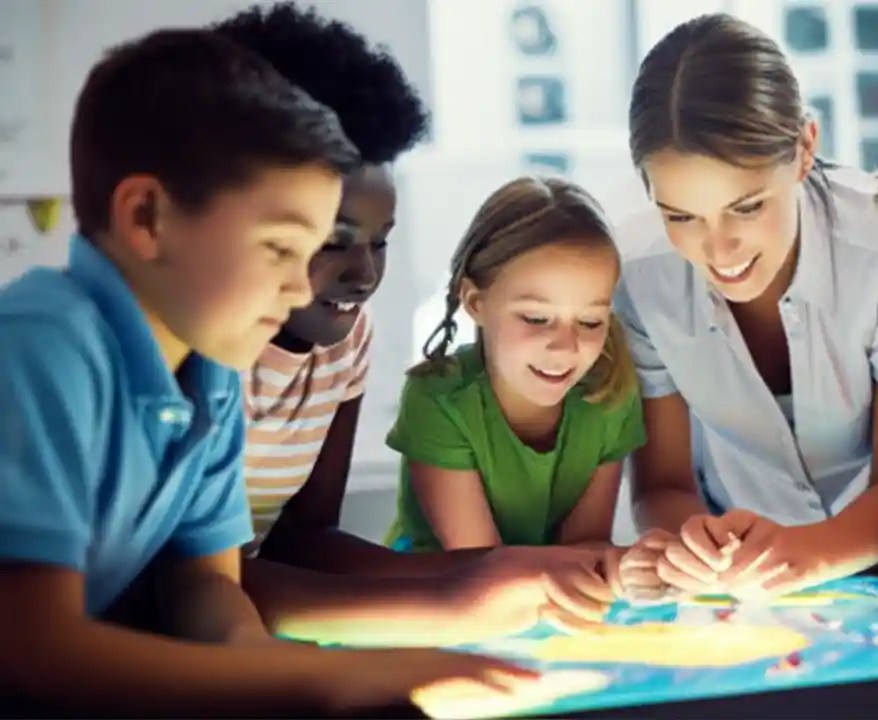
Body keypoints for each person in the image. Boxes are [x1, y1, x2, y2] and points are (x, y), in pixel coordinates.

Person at [0, 28, 539, 715]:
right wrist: (319, 679)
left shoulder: (211, 375)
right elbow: (34, 648)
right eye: (284, 246)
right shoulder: (42, 349)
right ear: (147, 217)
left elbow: (206, 589)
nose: (296, 287)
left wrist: (279, 667)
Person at [213, 2, 600, 648]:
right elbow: (197, 588)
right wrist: (445, 606)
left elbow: (304, 539)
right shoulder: (195, 361)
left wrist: (498, 568)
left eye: (381, 242)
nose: (363, 275)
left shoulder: (343, 340)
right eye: (333, 241)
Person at [613, 13, 878, 599]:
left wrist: (808, 556)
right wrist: (692, 547)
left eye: (748, 206)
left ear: (805, 148)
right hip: (734, 585)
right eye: (681, 216)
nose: (718, 248)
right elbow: (663, 482)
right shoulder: (637, 276)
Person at [385, 175, 654, 608]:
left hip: (545, 593)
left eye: (590, 322)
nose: (566, 346)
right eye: (535, 318)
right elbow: (484, 566)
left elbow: (584, 547)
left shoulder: (609, 395)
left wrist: (632, 563)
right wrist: (605, 564)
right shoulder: (438, 399)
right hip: (438, 601)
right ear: (475, 303)